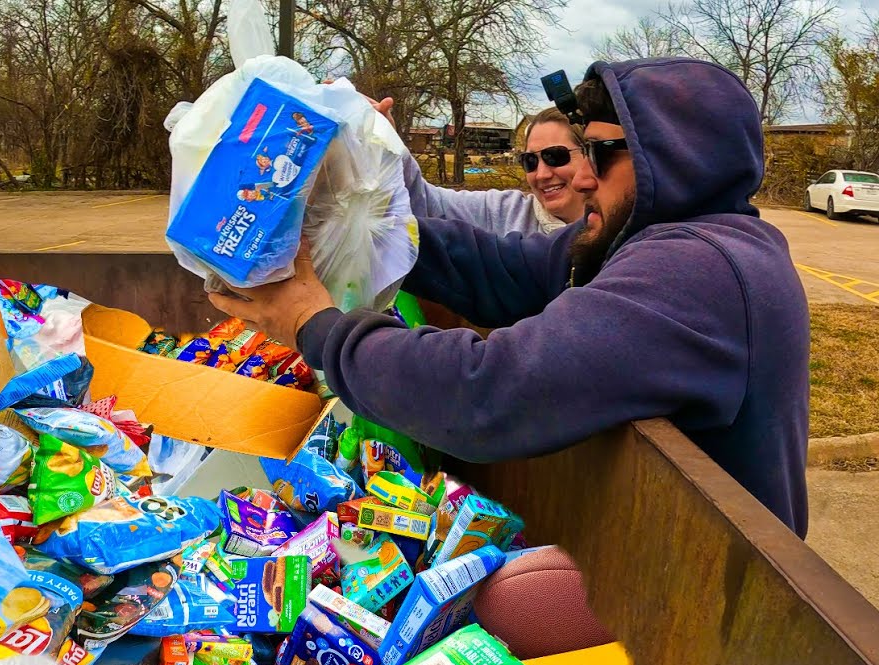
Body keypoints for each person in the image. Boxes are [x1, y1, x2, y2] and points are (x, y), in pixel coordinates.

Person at [208, 58, 811, 537]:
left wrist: (313, 324)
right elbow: (499, 268)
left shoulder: (698, 269)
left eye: (599, 154)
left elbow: (486, 390)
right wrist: (350, 211)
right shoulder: (647, 242)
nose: (579, 177)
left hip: (711, 605)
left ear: (676, 160)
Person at [377, 102, 587, 232]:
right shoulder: (507, 213)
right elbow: (427, 202)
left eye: (555, 157)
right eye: (530, 161)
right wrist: (387, 145)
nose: (541, 174)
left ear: (591, 156)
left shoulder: (616, 236)